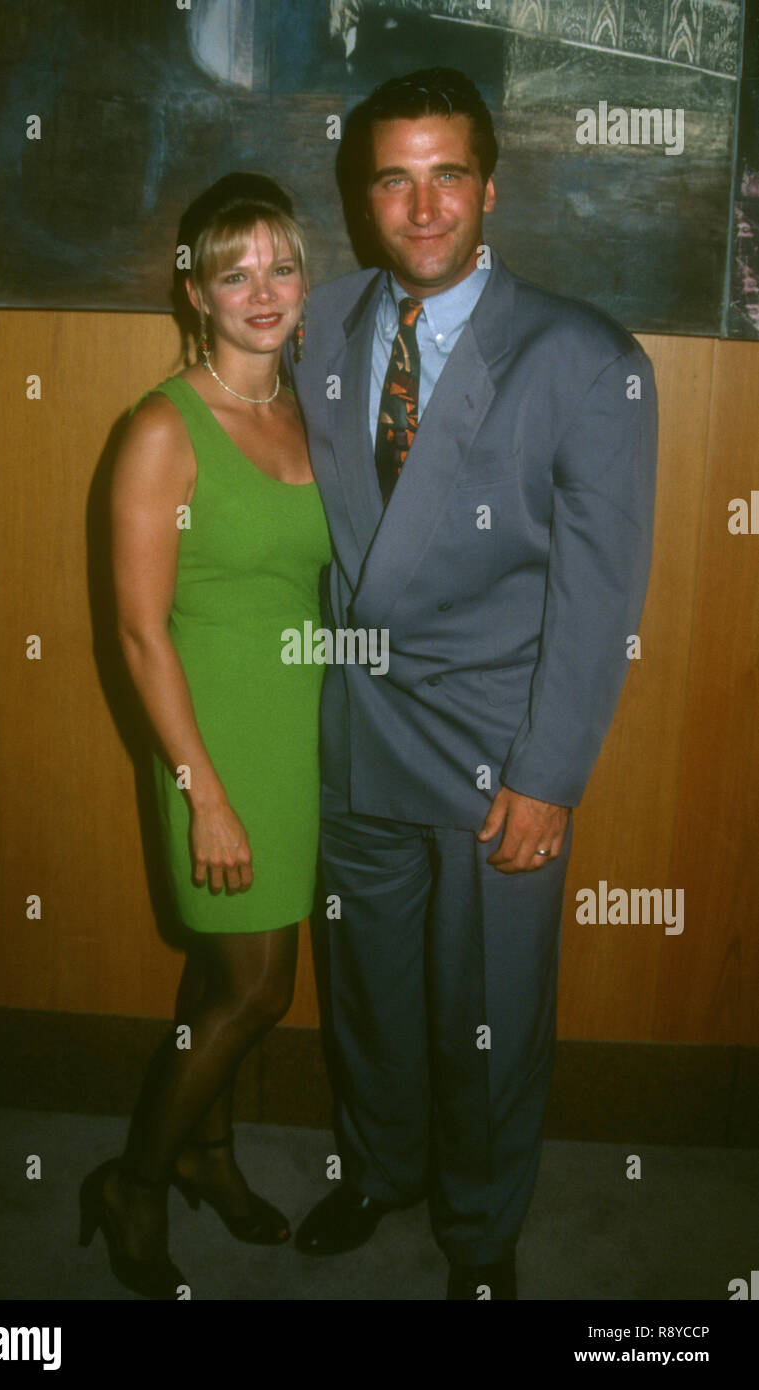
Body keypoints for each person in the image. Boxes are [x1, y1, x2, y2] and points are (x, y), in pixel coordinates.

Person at [286, 68, 658, 1299]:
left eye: (450, 173)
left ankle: (482, 1228)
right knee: (369, 992)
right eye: (395, 176)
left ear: (491, 185)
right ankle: (381, 1167)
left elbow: (596, 601)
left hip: (504, 748)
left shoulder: (585, 356)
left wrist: (551, 778)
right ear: (363, 195)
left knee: (489, 1012)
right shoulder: (323, 326)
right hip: (359, 732)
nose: (424, 204)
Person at [79, 173, 331, 1298]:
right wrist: (206, 794)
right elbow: (138, 635)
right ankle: (135, 1178)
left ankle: (209, 1155)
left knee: (217, 979)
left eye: (280, 265)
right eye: (236, 272)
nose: (262, 290)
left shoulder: (308, 408)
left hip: (298, 727)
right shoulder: (159, 430)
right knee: (259, 985)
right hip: (209, 739)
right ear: (196, 292)